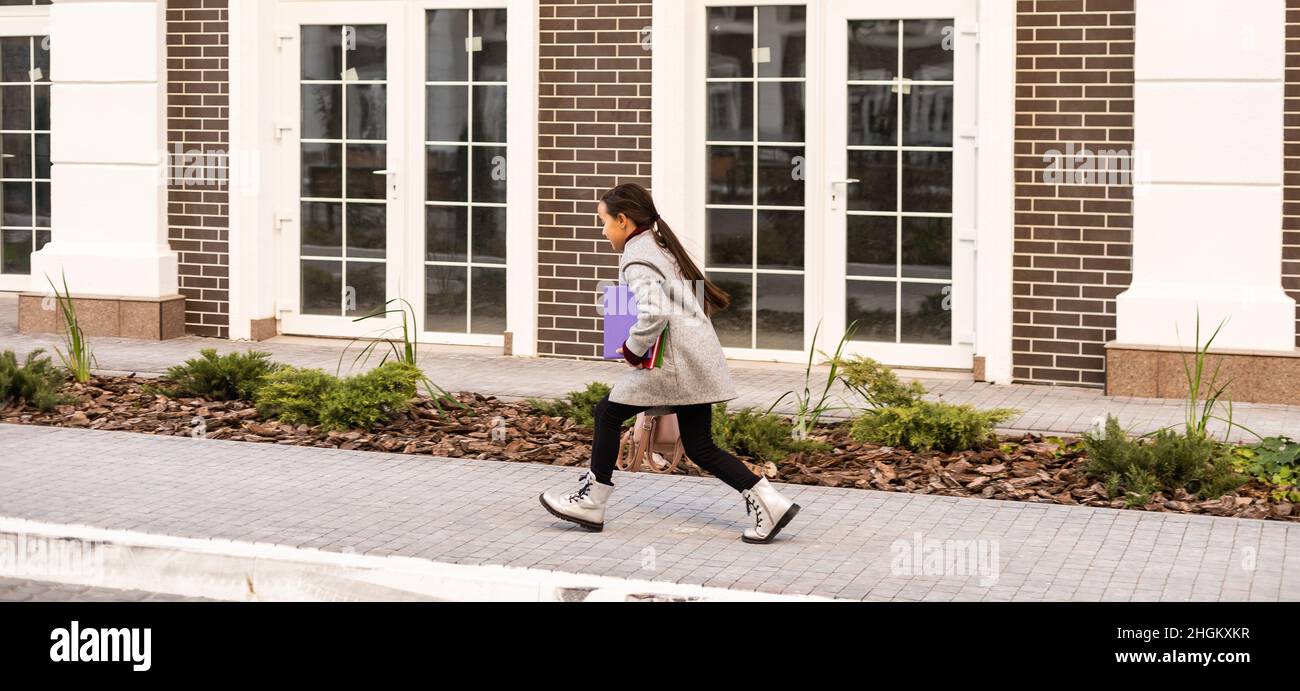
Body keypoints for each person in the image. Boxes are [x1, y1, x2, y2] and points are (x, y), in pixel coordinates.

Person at [539, 183, 801, 543]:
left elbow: (654, 312)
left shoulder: (637, 257)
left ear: (624, 220)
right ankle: (770, 502)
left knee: (608, 412)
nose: (602, 231)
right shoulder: (658, 247)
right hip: (692, 359)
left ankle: (592, 501)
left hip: (674, 363)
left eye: (604, 222)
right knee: (700, 446)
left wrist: (632, 348)